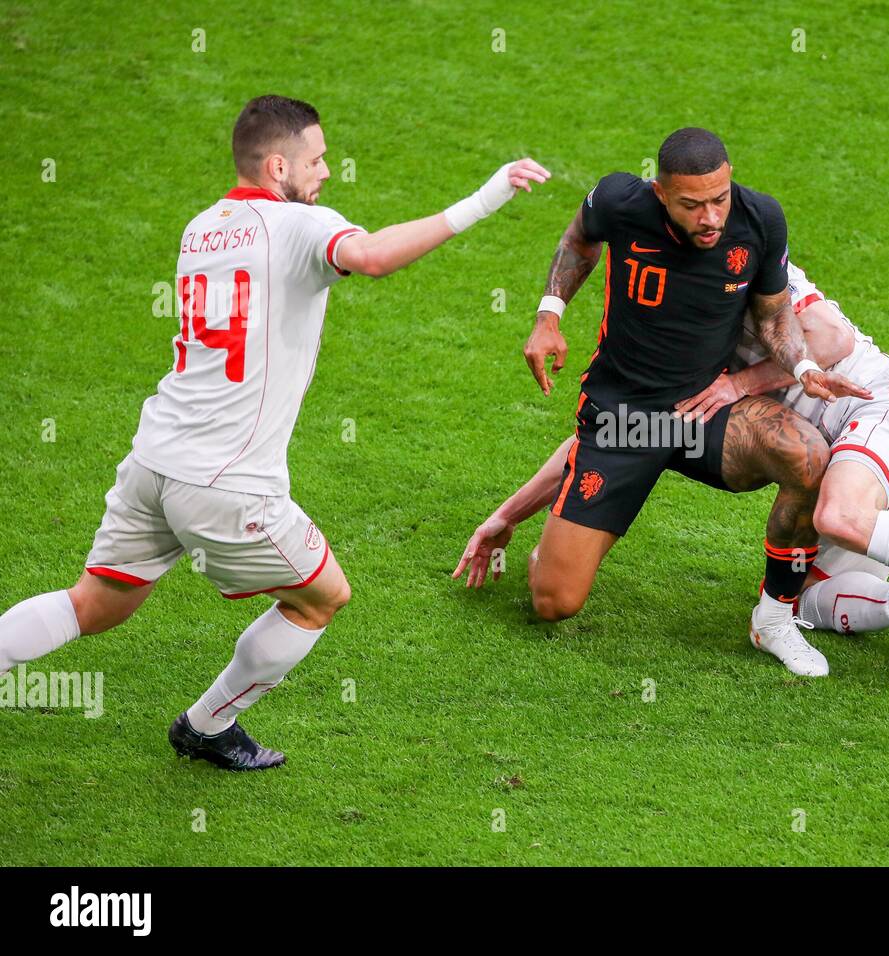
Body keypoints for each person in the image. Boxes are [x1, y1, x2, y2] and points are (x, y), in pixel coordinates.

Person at [0, 94, 550, 769]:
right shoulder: (295, 226)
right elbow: (372, 256)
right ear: (278, 164)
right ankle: (207, 727)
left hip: (153, 461)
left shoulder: (203, 226)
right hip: (226, 484)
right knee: (323, 597)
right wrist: (487, 197)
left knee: (95, 604)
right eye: (317, 160)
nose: (326, 174)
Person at [460, 260, 889, 686]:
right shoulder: (673, 336)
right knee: (804, 598)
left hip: (882, 409)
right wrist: (507, 515)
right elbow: (599, 439)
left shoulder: (756, 274)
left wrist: (739, 385)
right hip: (868, 452)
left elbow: (829, 337)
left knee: (837, 515)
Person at [515, 127, 867, 676]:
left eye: (719, 199)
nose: (710, 218)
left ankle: (774, 619)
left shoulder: (760, 220)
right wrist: (548, 315)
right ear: (661, 195)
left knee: (807, 453)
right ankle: (555, 546)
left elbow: (775, 314)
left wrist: (802, 367)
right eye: (692, 205)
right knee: (553, 603)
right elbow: (579, 238)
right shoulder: (619, 201)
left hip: (705, 412)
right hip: (623, 421)